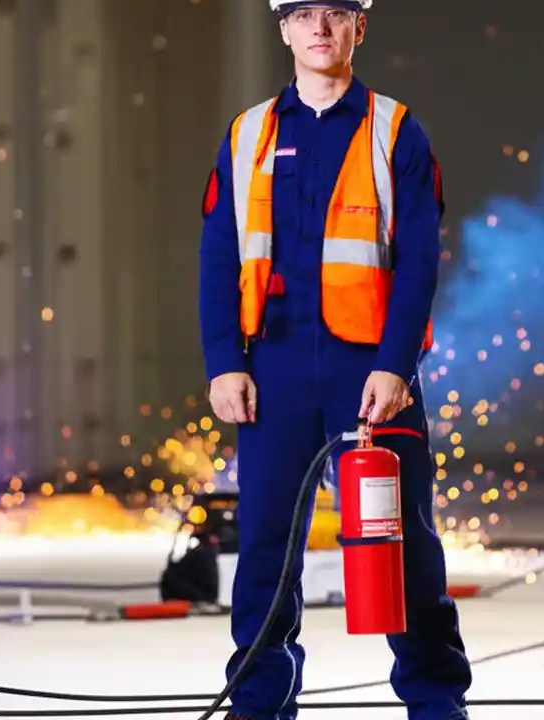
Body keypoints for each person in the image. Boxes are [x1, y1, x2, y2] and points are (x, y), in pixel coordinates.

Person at [198, 1, 472, 718]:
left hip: (371, 374)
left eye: (337, 13)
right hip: (274, 372)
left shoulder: (395, 130)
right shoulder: (248, 133)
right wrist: (225, 361)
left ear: (360, 27)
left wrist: (395, 363)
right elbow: (218, 255)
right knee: (264, 552)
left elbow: (418, 261)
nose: (320, 28)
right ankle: (259, 707)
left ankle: (437, 703)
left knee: (404, 549)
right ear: (283, 28)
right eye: (304, 14)